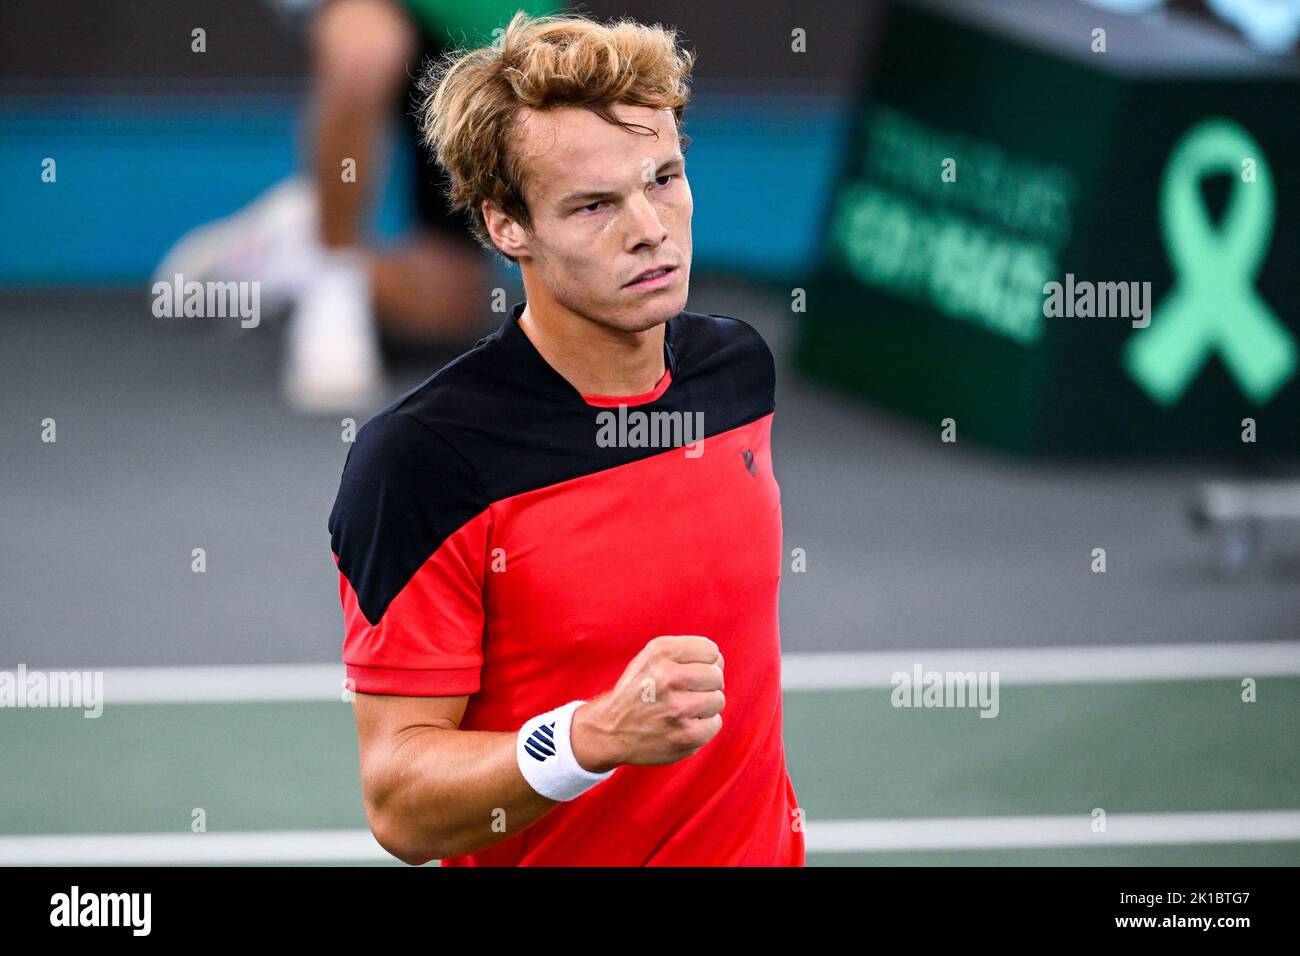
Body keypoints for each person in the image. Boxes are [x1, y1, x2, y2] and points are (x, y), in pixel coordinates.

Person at [328, 10, 804, 866]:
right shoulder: (426, 461)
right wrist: (584, 739)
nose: (650, 228)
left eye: (663, 178)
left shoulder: (736, 375)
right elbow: (400, 801)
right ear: (508, 226)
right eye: (594, 205)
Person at [153, 0, 560, 413]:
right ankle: (334, 274)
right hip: (381, 12)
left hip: (492, 35)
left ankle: (287, 250)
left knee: (451, 309)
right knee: (365, 46)